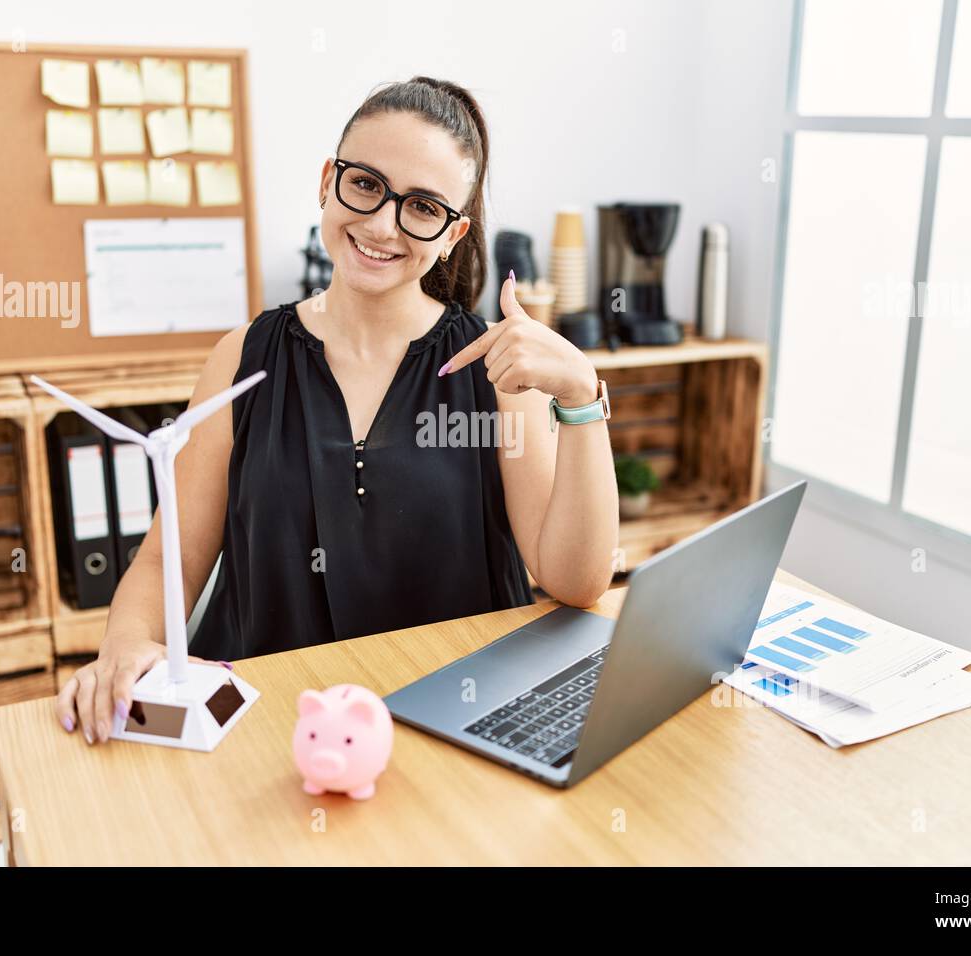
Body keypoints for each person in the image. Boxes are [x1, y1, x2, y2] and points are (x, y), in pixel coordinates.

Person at [57, 76, 618, 744]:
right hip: (269, 732)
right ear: (329, 181)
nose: (382, 225)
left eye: (422, 207)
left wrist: (582, 397)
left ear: (452, 232)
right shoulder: (242, 358)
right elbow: (165, 561)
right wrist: (123, 644)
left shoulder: (494, 371)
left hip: (449, 729)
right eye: (365, 185)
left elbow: (576, 584)